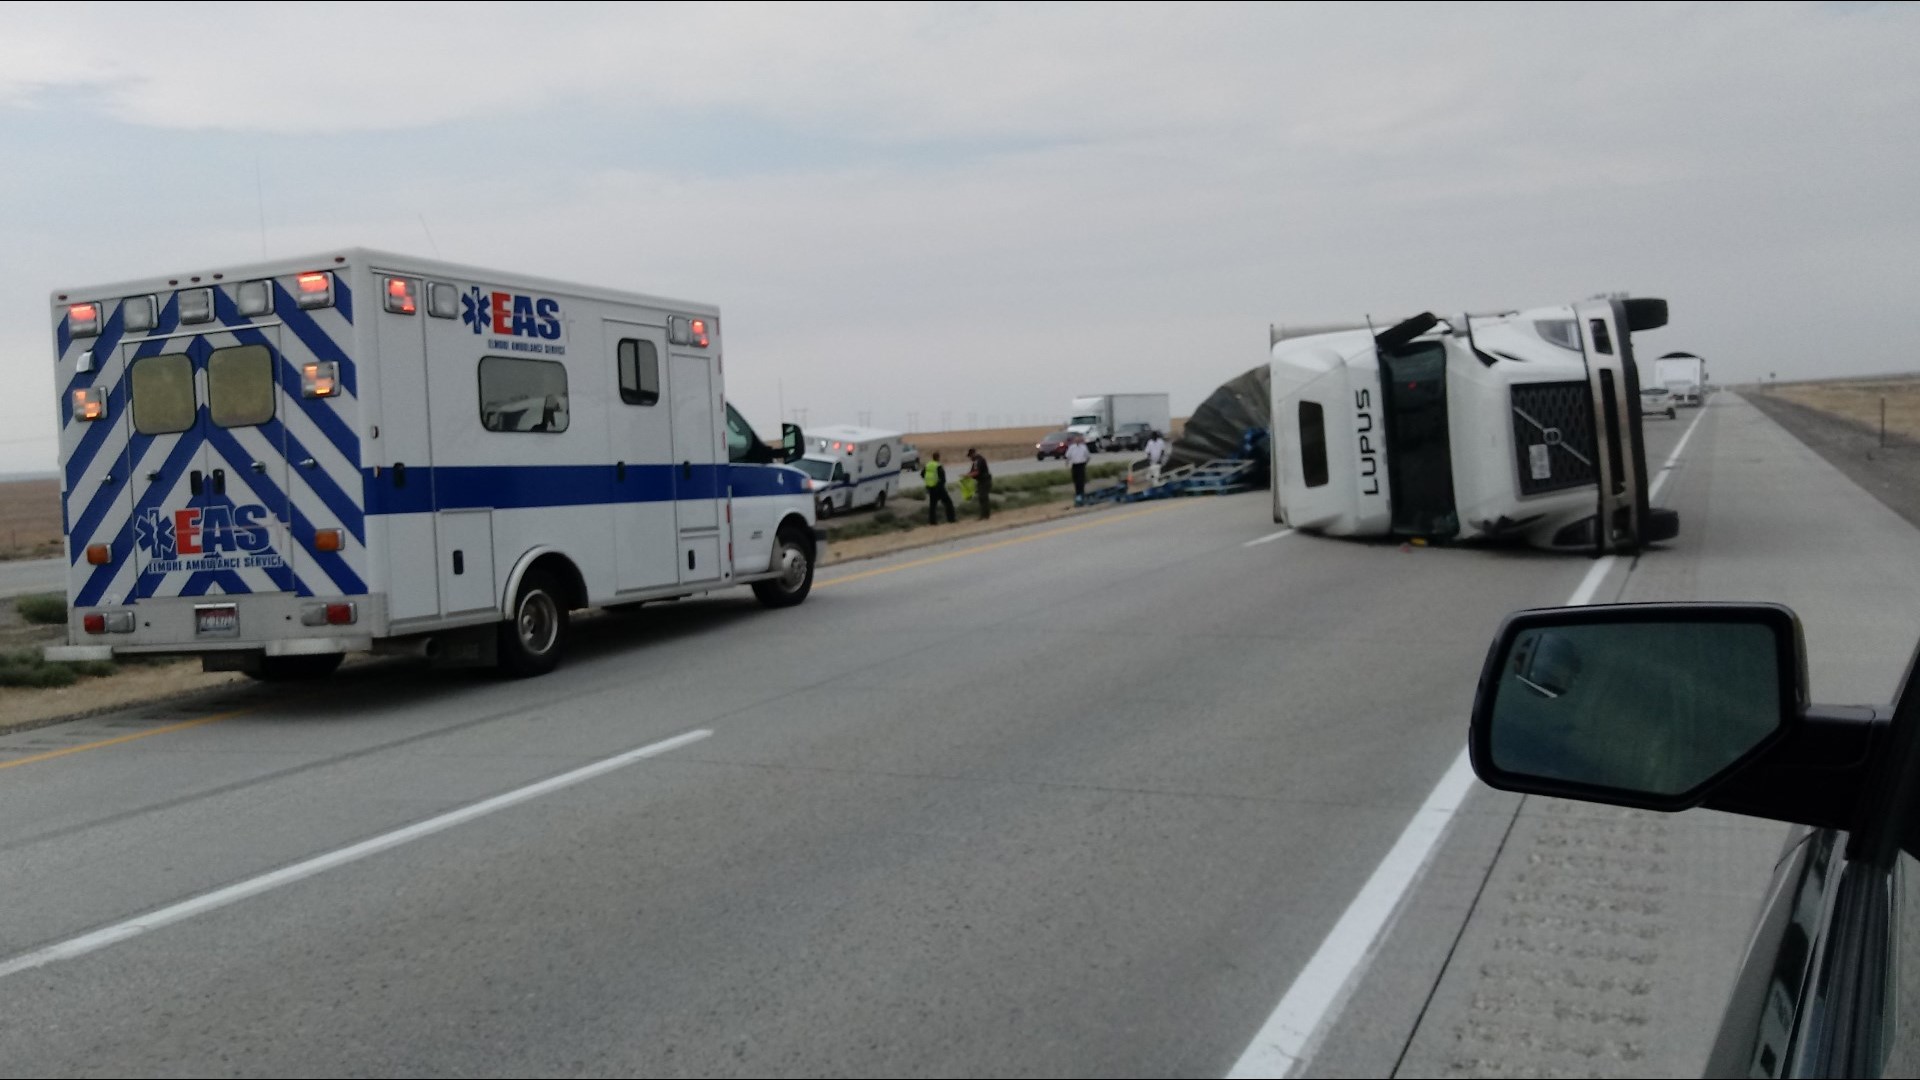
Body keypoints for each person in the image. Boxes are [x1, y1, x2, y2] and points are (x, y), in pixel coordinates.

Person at [923, 451, 956, 525]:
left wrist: (929, 481)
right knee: (948, 503)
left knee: (932, 506)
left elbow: (922, 474)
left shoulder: (928, 465)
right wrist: (941, 485)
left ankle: (932, 522)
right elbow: (943, 478)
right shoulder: (938, 465)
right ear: (938, 457)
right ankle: (951, 519)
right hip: (939, 488)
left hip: (931, 488)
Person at [965, 448, 993, 519]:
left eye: (970, 456)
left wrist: (967, 476)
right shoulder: (975, 461)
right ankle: (985, 515)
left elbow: (976, 472)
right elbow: (972, 472)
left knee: (983, 497)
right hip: (981, 481)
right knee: (982, 498)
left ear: (973, 454)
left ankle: (985, 515)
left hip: (985, 481)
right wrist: (967, 475)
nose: (970, 458)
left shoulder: (978, 460)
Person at [1065, 433, 1091, 498]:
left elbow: (1088, 457)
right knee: (1075, 479)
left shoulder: (1083, 447)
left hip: (1081, 465)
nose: (1077, 440)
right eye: (1076, 439)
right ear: (1074, 440)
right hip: (1075, 465)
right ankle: (1077, 493)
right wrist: (1067, 463)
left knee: (1081, 480)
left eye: (1078, 439)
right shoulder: (1071, 447)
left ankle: (1082, 492)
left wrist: (1085, 464)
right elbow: (1068, 456)